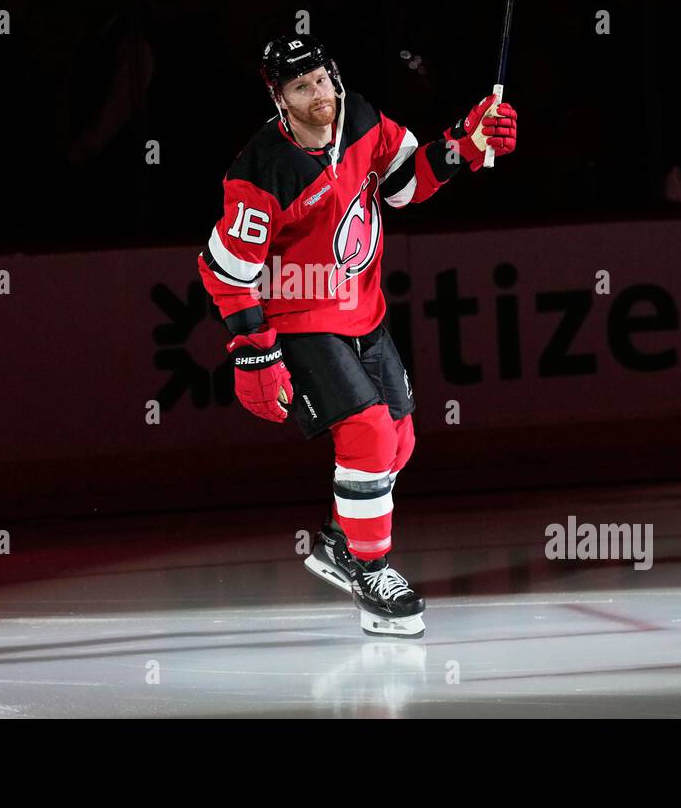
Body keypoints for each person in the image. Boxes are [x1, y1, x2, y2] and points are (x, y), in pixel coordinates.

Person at [197, 34, 517, 637]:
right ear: (280, 99)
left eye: (319, 78)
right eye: (299, 87)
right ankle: (373, 574)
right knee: (368, 434)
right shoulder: (261, 170)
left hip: (362, 312)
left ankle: (338, 545)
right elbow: (224, 269)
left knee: (399, 439)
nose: (317, 94)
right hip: (299, 320)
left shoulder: (364, 118)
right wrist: (253, 352)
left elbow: (405, 183)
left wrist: (468, 144)